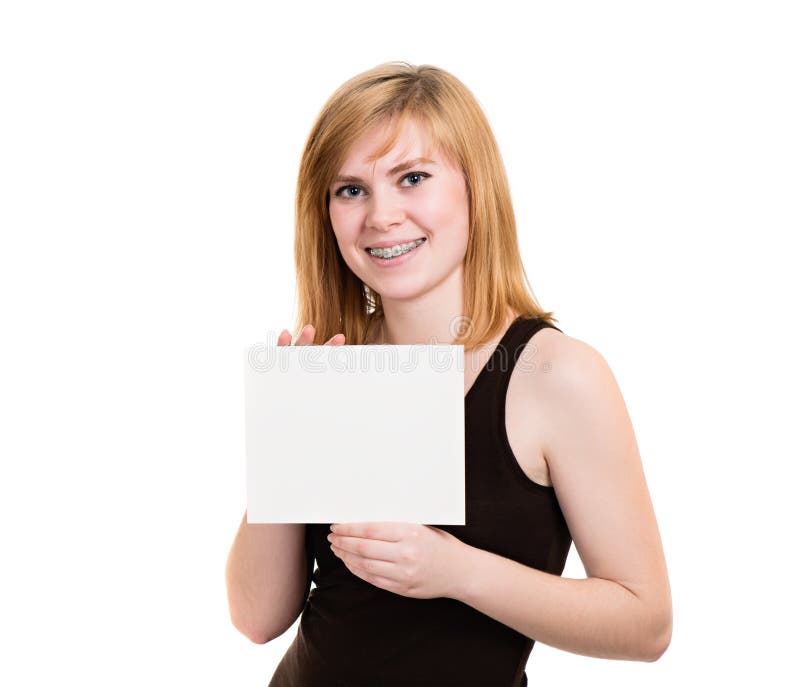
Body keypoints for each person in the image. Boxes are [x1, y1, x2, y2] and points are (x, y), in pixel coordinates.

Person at [225, 61, 672, 686]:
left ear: (474, 187)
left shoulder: (556, 376)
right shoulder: (331, 365)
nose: (381, 215)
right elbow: (254, 618)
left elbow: (646, 623)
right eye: (350, 189)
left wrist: (456, 571)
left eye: (412, 178)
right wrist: (285, 442)